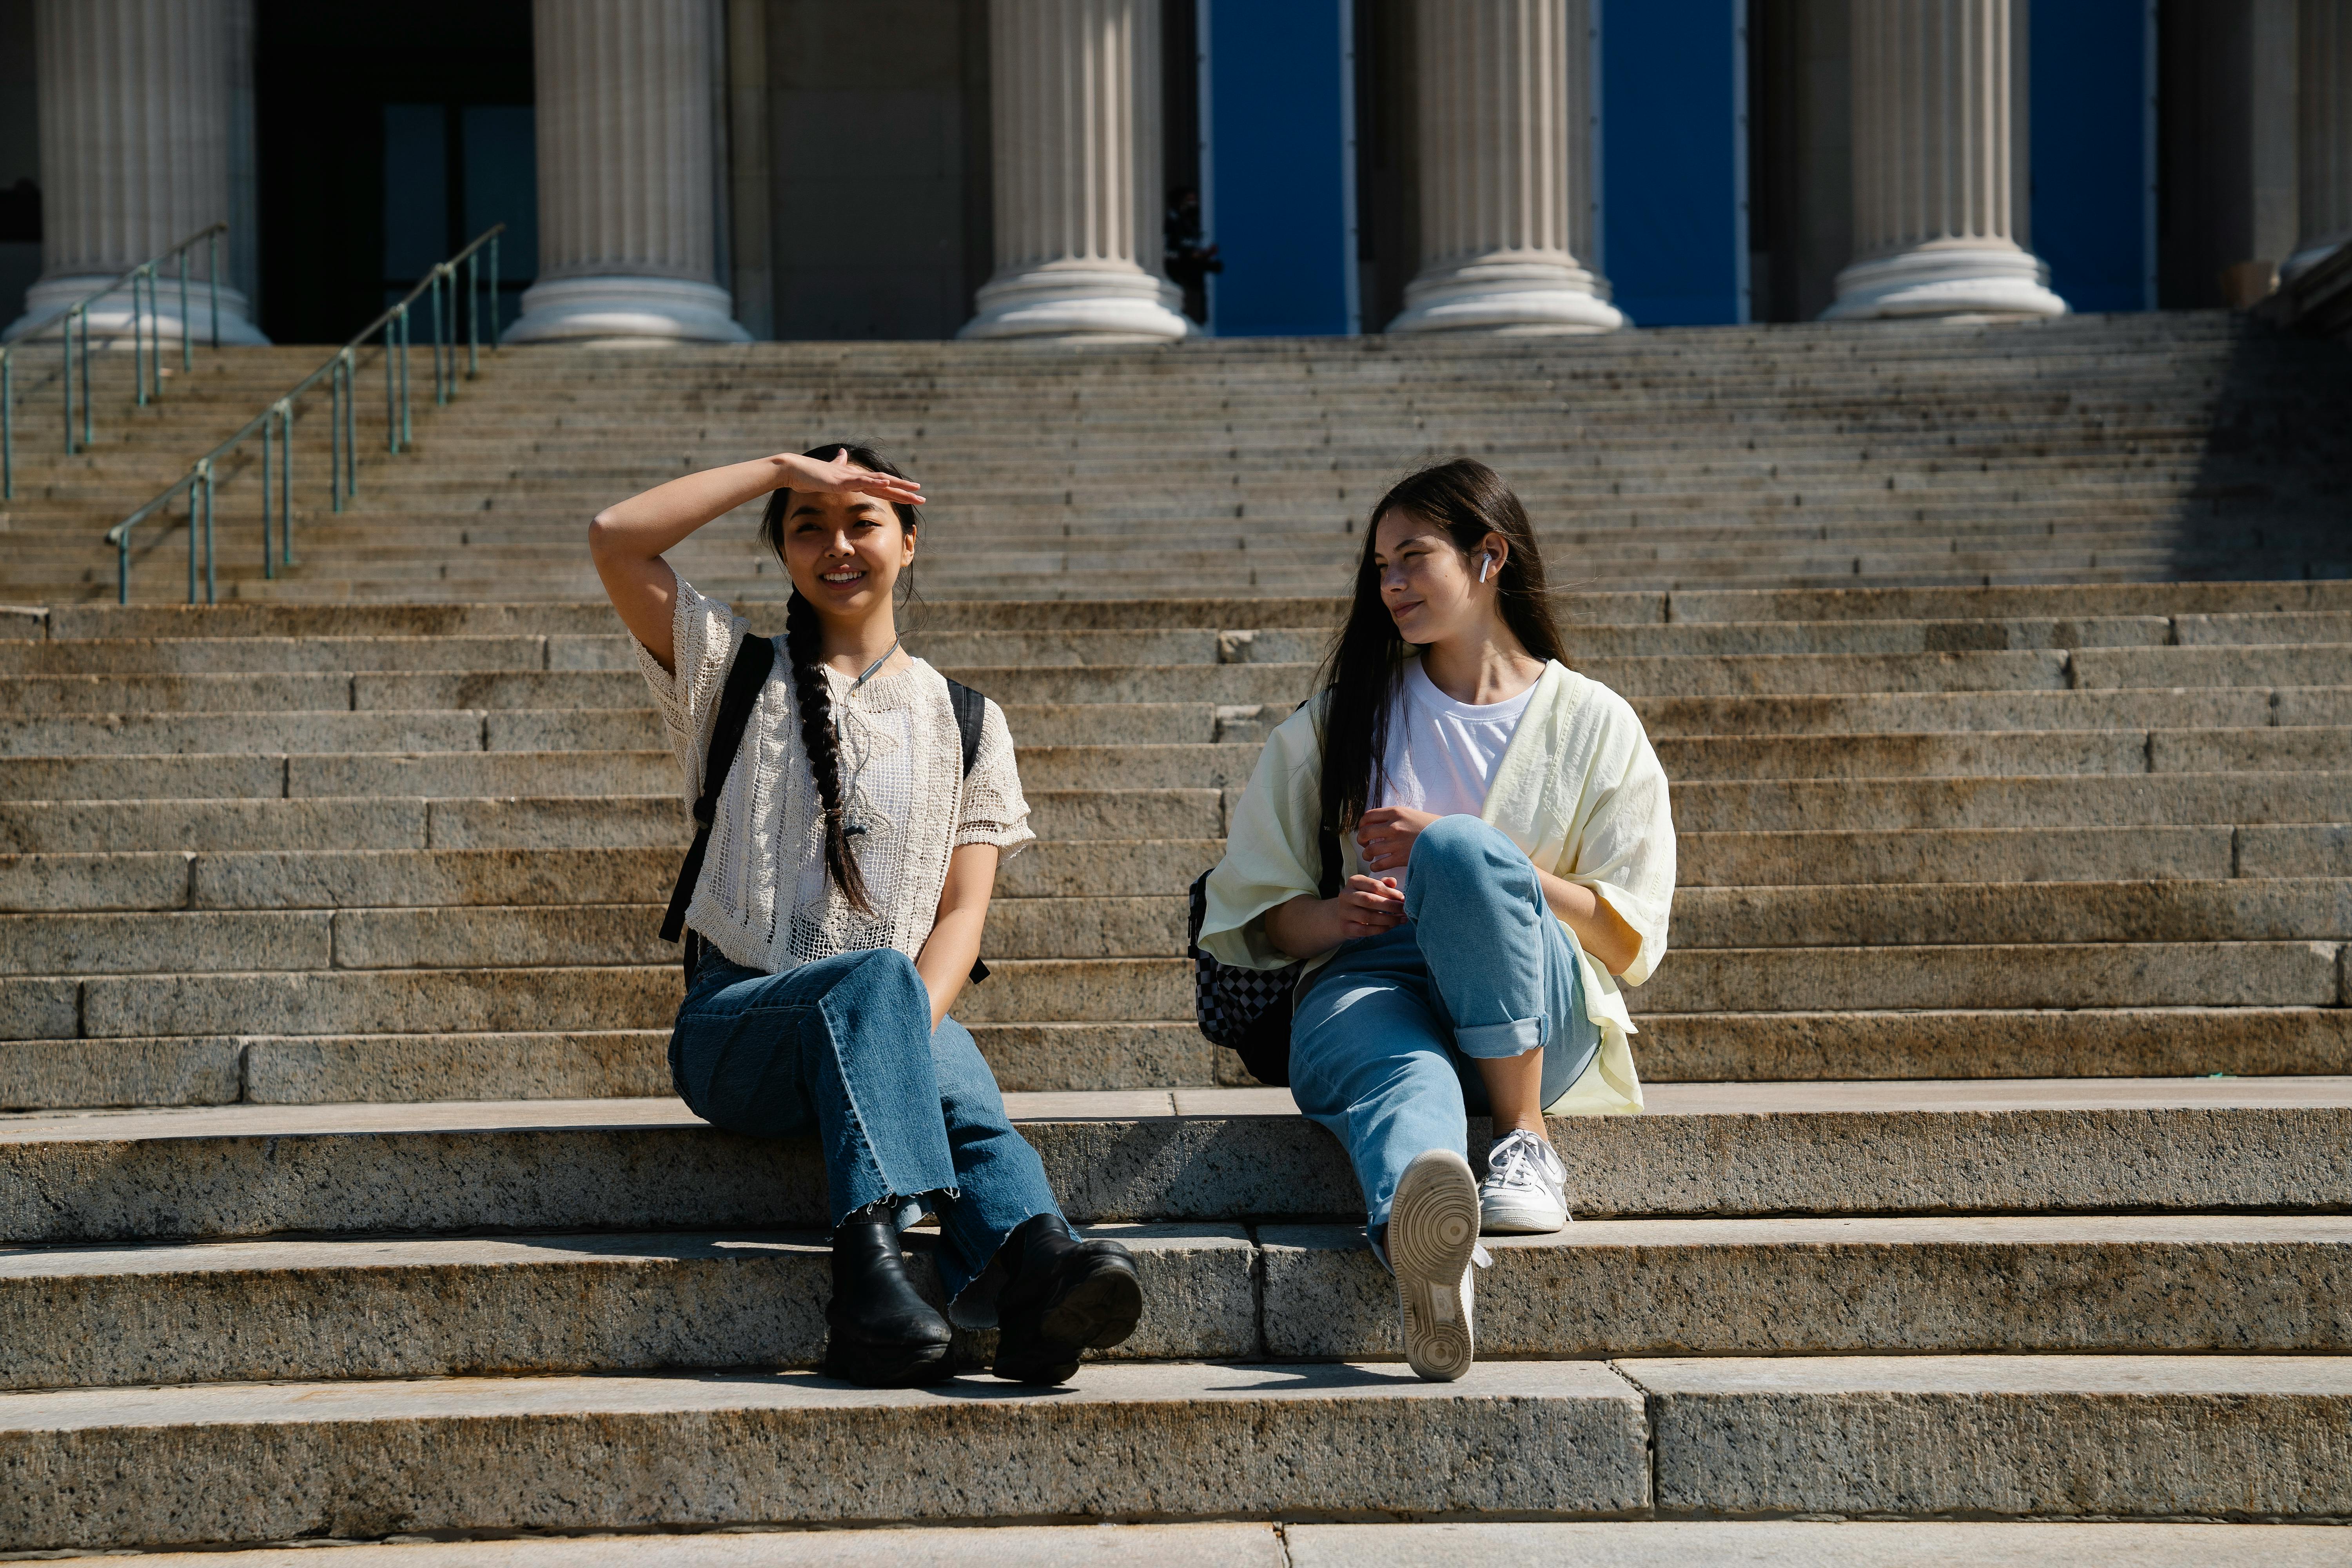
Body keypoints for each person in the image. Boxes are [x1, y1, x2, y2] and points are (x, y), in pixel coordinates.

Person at [588, 443, 1143, 1388]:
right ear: (784, 551)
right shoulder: (731, 673)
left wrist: (887, 1031)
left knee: (908, 1010)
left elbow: (963, 918)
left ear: (911, 541)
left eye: (863, 521)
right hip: (737, 1029)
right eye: (809, 526)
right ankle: (920, 1260)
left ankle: (1032, 1280)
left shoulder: (970, 720)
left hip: (896, 1011)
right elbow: (615, 539)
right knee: (896, 998)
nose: (838, 544)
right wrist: (773, 468)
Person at [1196, 457, 1674, 1382]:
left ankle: (1524, 1135)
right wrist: (1336, 915)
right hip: (1372, 981)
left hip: (1539, 998)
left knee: (1459, 851)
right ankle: (1427, 1254)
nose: (1392, 585)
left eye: (1413, 558)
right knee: (1405, 1079)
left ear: (1489, 556)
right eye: (1380, 567)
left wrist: (1469, 855)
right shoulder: (1339, 722)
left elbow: (1626, 940)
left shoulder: (1597, 723)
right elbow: (1253, 915)